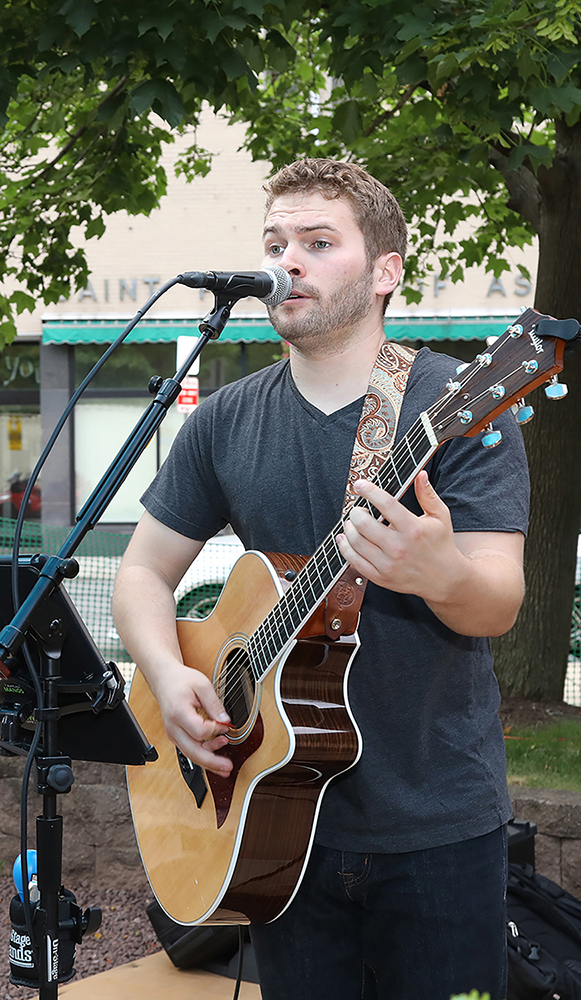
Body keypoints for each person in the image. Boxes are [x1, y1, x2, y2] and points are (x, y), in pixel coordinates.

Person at [113, 158, 529, 1000]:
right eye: (274, 242)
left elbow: (497, 602)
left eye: (317, 242)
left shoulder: (458, 402)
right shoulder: (227, 417)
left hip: (434, 818)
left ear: (385, 272)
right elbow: (140, 574)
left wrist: (438, 572)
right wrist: (168, 673)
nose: (286, 261)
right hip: (271, 825)